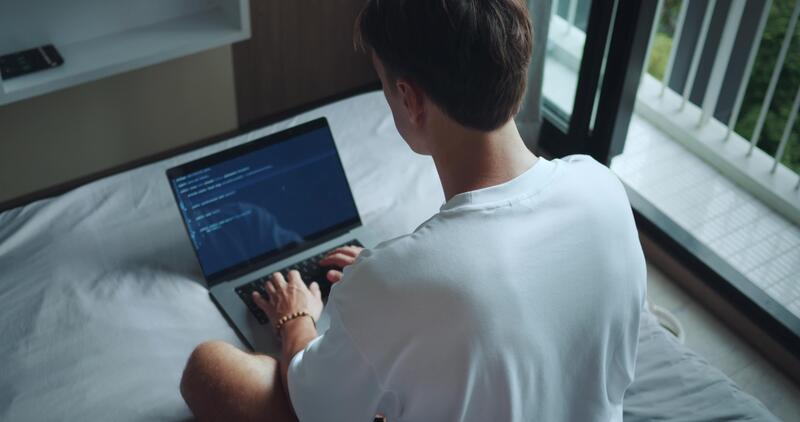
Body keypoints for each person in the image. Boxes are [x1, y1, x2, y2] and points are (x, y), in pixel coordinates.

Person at [179, 0, 646, 420]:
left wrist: (295, 318)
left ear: (410, 99)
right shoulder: (601, 187)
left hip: (371, 315)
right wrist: (393, 292)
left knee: (211, 368)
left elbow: (310, 401)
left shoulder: (398, 280)